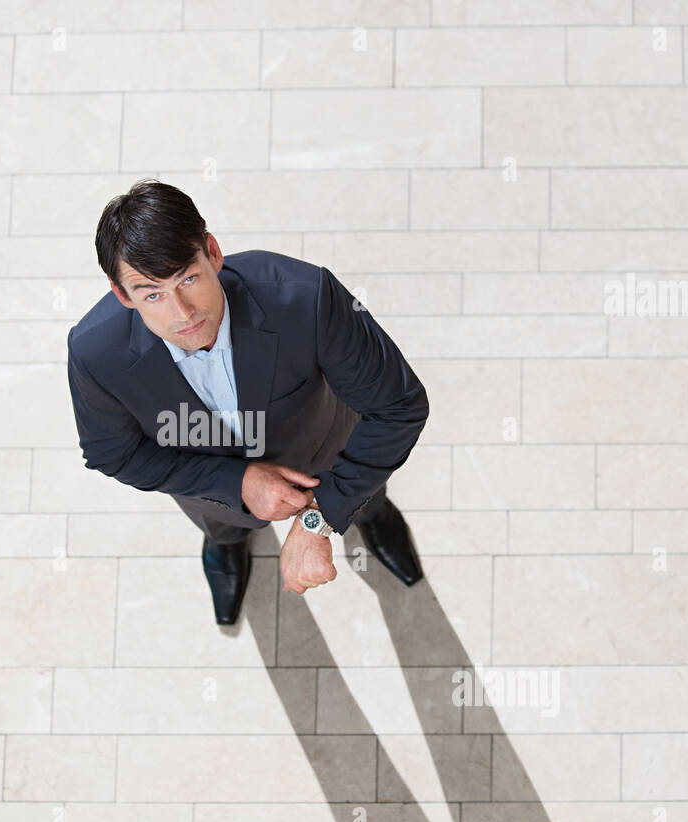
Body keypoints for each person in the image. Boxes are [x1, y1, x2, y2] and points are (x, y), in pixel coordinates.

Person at [67, 179, 428, 625]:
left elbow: (398, 406)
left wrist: (320, 516)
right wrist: (235, 483)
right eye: (152, 293)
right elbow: (112, 453)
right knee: (221, 525)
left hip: (328, 457)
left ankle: (372, 516)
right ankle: (226, 544)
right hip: (210, 494)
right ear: (122, 295)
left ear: (213, 252)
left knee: (367, 497)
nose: (182, 313)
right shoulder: (94, 352)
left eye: (189, 278)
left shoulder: (306, 296)